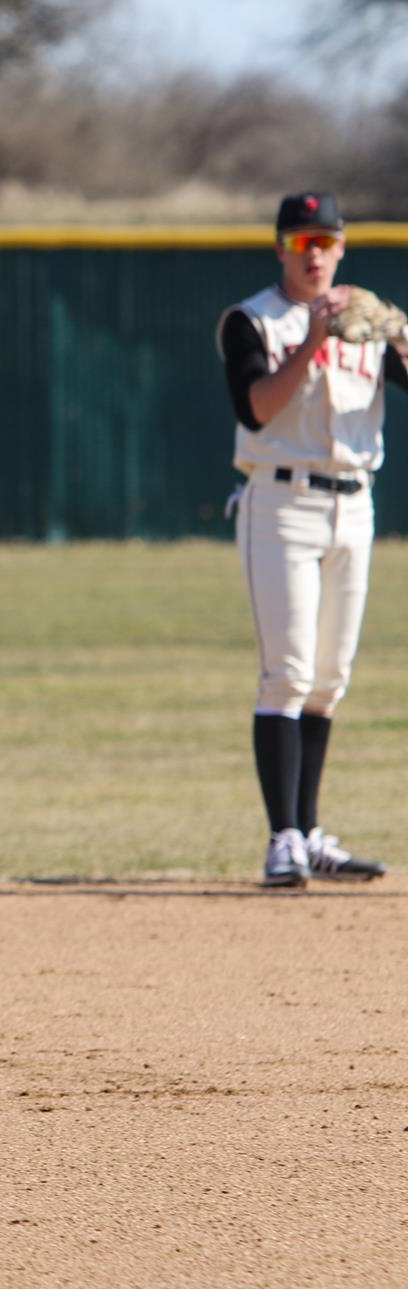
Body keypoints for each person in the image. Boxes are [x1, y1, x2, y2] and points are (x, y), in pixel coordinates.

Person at [217, 190, 395, 887]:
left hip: (354, 503)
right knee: (286, 672)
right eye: (300, 242)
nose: (313, 254)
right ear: (280, 249)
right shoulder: (252, 321)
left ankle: (312, 831)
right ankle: (282, 837)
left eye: (325, 242)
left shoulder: (367, 319)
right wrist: (316, 340)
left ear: (342, 248)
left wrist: (399, 334)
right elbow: (257, 410)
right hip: (280, 503)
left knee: (329, 677)